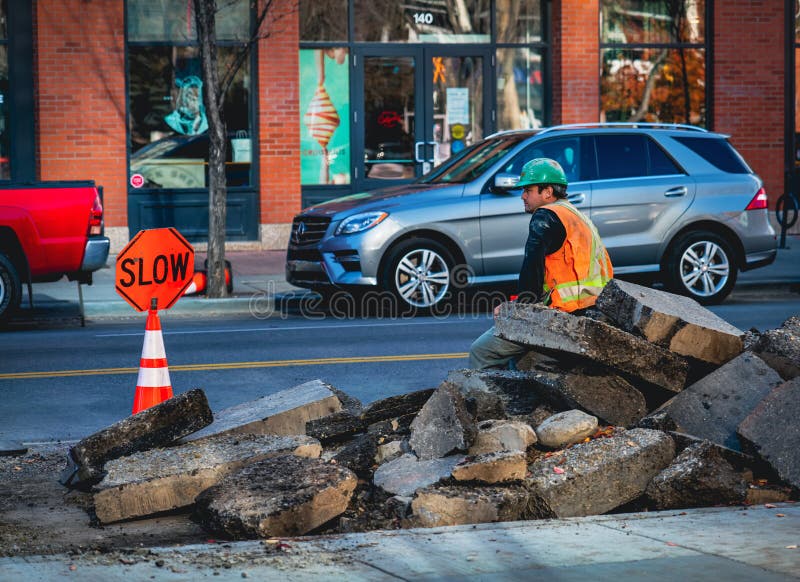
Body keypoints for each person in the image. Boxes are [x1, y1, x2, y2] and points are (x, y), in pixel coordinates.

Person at [469, 157, 613, 369]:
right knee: (516, 361)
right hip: (591, 310)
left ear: (547, 192)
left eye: (528, 190)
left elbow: (532, 267)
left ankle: (488, 401)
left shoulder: (545, 216)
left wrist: (517, 308)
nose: (523, 196)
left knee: (482, 352)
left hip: (563, 315)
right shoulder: (574, 214)